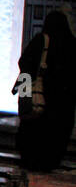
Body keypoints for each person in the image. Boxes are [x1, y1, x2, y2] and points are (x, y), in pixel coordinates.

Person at [15, 9, 76, 171]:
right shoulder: (72, 44)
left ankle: (32, 160)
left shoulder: (42, 41)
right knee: (57, 132)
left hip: (39, 97)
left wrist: (24, 93)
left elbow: (25, 65)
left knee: (34, 130)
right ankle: (50, 162)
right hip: (63, 101)